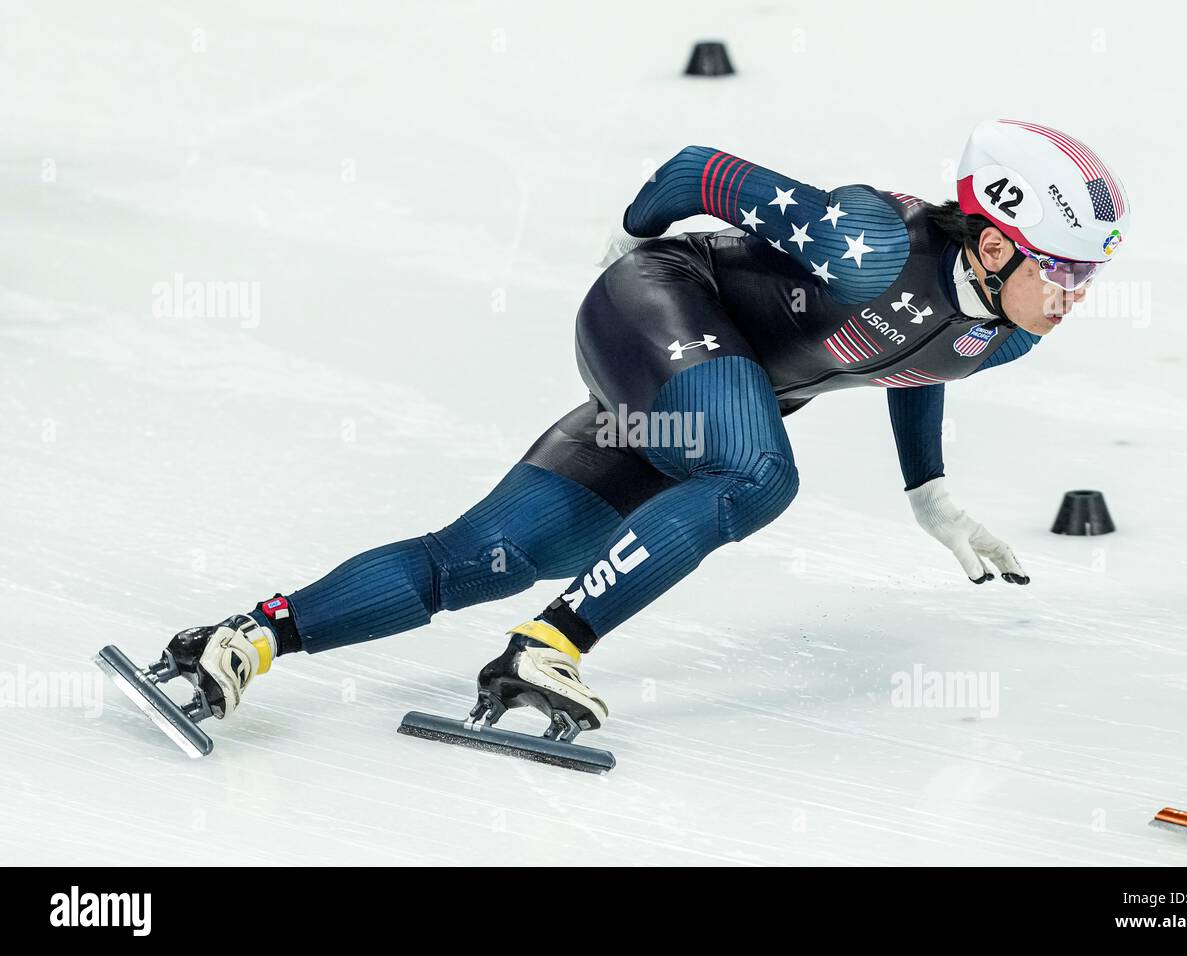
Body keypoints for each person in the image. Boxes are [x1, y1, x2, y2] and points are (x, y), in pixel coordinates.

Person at [164, 119, 1133, 739]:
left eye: (1086, 277)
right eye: (1067, 271)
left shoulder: (1003, 335)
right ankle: (547, 645)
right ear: (999, 239)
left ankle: (244, 638)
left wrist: (930, 495)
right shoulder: (867, 236)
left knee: (489, 553)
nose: (1075, 296)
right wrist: (628, 246)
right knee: (757, 474)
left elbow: (920, 360)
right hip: (662, 303)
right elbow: (695, 168)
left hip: (694, 391)